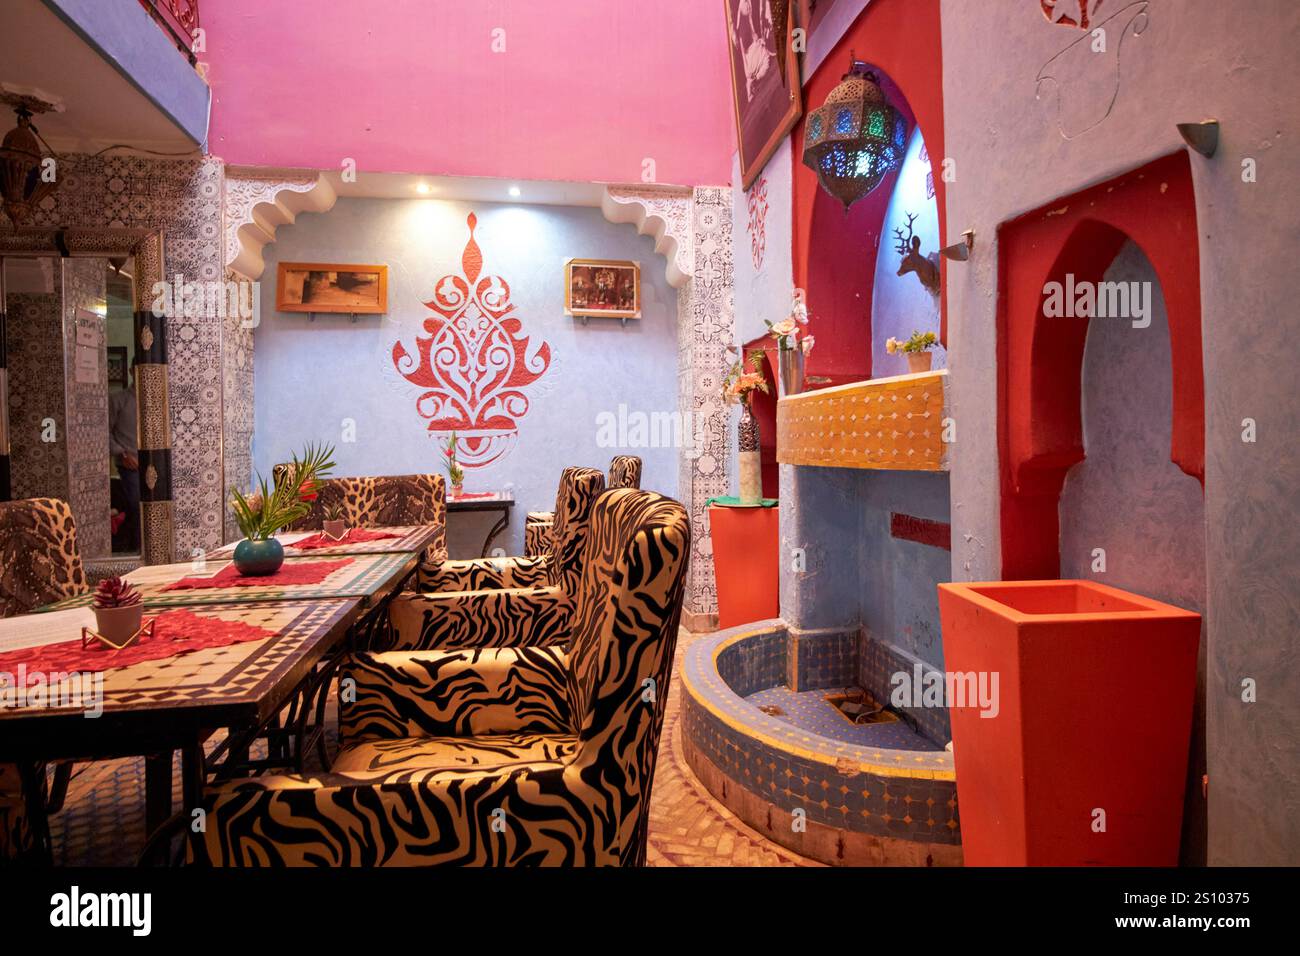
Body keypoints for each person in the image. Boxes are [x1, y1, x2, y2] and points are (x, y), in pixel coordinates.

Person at [109, 358, 140, 551]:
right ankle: (137, 549)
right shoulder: (118, 400)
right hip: (129, 463)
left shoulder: (158, 401)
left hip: (156, 463)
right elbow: (104, 431)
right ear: (131, 371)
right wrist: (122, 453)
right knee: (136, 505)